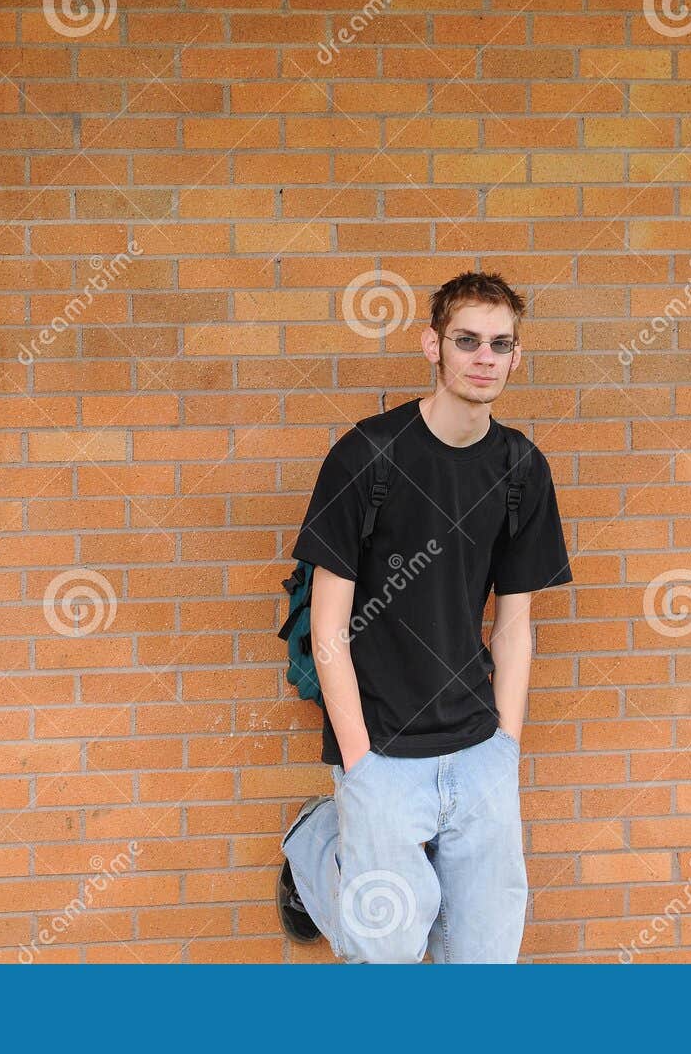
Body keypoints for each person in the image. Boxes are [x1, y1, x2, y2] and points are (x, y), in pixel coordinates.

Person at [275, 269, 573, 963]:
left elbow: (514, 623)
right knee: (386, 953)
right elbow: (327, 630)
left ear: (516, 356)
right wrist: (360, 760)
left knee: (484, 957)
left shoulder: (521, 468)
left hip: (478, 750)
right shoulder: (368, 457)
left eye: (500, 343)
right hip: (382, 750)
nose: (483, 356)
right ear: (431, 345)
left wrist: (504, 745)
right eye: (466, 339)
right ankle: (319, 843)